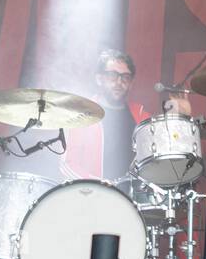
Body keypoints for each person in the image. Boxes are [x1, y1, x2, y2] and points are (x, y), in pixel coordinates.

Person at [63, 49, 190, 181]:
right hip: (93, 196)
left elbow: (169, 154)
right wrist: (98, 185)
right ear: (99, 79)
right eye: (113, 75)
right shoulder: (82, 114)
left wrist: (181, 119)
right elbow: (67, 165)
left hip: (132, 198)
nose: (119, 82)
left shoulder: (141, 117)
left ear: (131, 82)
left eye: (125, 77)